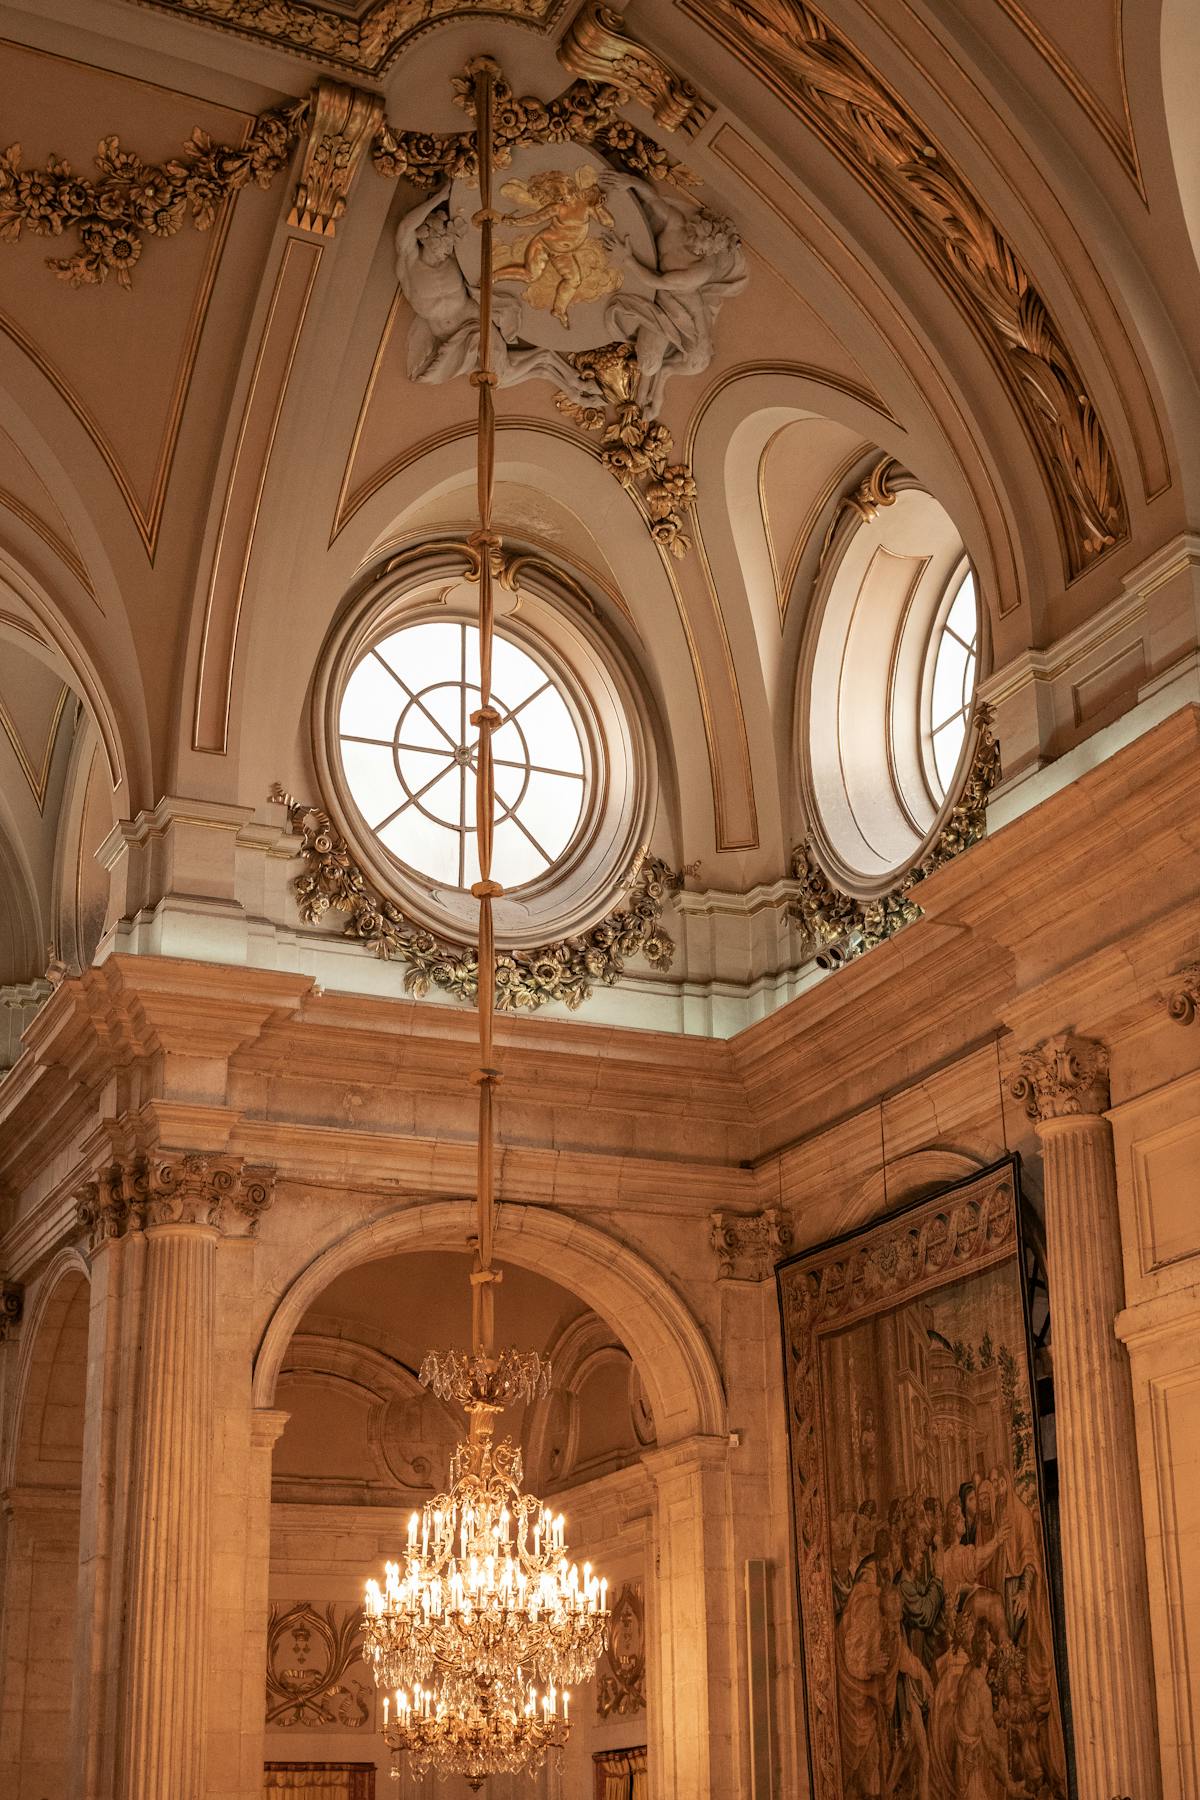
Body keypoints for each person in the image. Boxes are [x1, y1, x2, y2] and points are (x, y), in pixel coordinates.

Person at [599, 173, 747, 417]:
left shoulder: (700, 270)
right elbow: (654, 200)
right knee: (652, 360)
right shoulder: (677, 224)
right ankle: (645, 399)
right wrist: (631, 182)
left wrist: (625, 257)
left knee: (664, 362)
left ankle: (646, 402)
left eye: (705, 248)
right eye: (698, 240)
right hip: (664, 298)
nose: (698, 247)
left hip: (681, 314)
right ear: (696, 229)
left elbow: (656, 280)